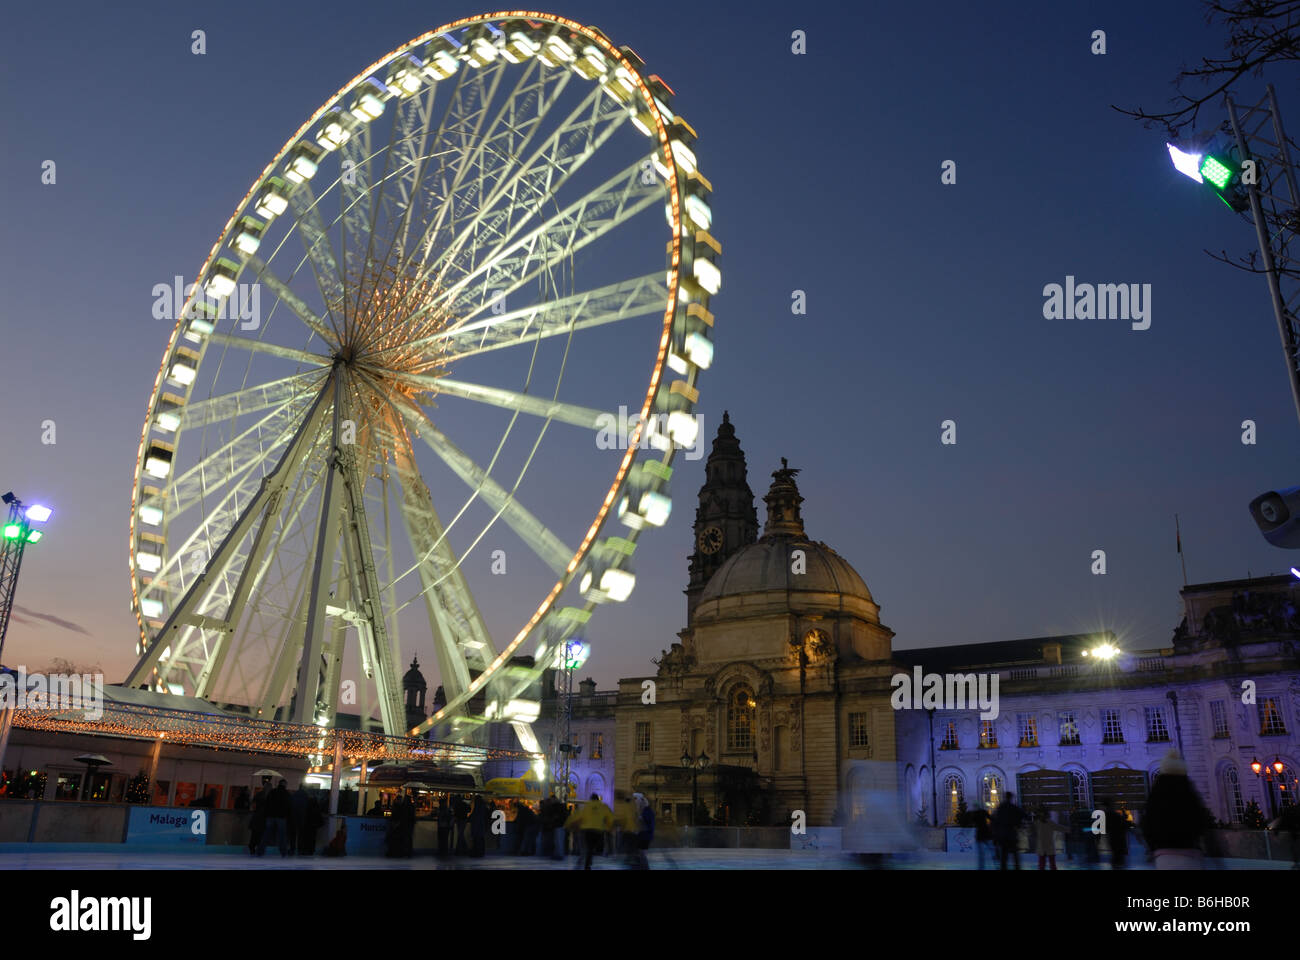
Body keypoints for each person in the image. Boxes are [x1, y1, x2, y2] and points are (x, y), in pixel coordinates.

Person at [1142, 750, 1210, 869]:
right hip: (1189, 854)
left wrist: (1152, 847)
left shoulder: (1156, 795)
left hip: (1163, 856)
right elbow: (1201, 820)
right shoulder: (1188, 791)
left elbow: (1146, 824)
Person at [565, 793, 614, 870]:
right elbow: (610, 818)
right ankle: (589, 861)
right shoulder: (603, 806)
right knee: (592, 847)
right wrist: (609, 828)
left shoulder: (587, 806)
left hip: (587, 830)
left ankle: (587, 863)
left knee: (588, 847)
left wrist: (569, 824)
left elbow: (579, 816)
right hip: (598, 831)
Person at [991, 792, 1025, 870]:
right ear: (1010, 798)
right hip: (1011, 835)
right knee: (1015, 856)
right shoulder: (1013, 807)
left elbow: (995, 821)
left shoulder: (1000, 808)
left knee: (1004, 856)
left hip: (1003, 835)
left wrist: (996, 835)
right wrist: (1018, 824)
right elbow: (1023, 815)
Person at [259, 779, 292, 857]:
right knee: (282, 835)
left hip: (270, 816)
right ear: (285, 785)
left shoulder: (272, 792)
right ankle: (283, 852)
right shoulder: (287, 794)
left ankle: (260, 851)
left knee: (266, 834)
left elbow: (267, 804)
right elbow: (289, 806)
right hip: (281, 817)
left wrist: (266, 814)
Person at [1104, 800, 1132, 869]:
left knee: (1116, 854)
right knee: (1118, 855)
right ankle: (1118, 864)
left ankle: (1117, 864)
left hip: (1114, 837)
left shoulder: (1108, 814)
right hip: (1118, 837)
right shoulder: (1114, 815)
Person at [247, 786, 266, 856]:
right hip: (261, 818)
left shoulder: (258, 795)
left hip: (256, 817)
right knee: (259, 834)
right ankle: (256, 848)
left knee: (255, 834)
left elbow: (253, 804)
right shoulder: (266, 797)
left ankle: (252, 847)